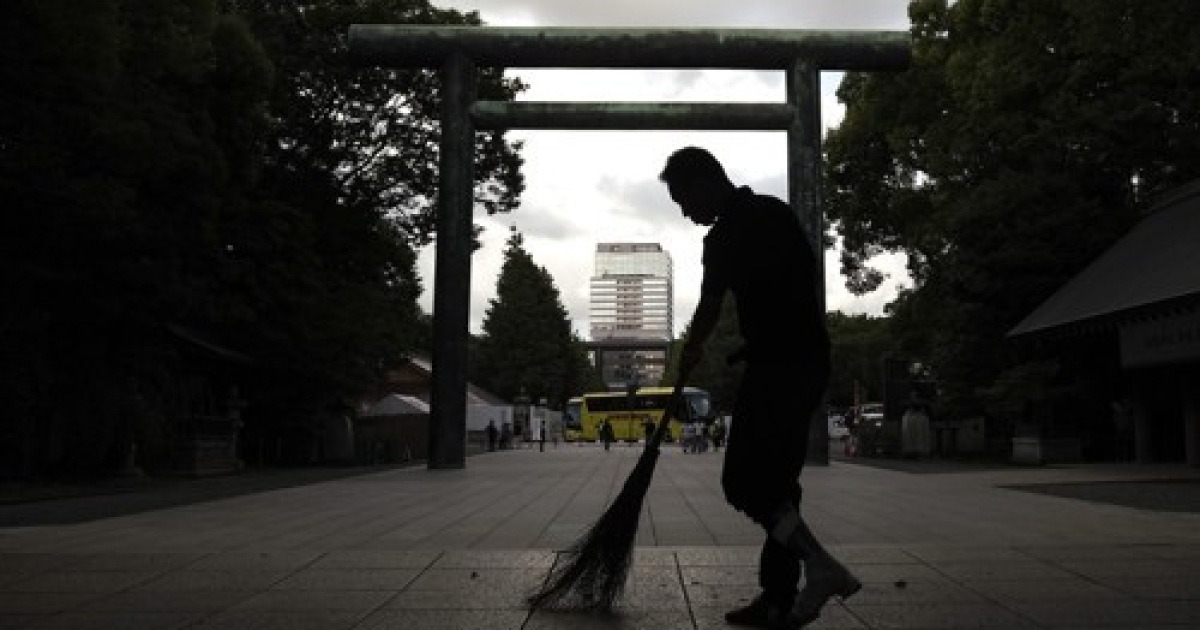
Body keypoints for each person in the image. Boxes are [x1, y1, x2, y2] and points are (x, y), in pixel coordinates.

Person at [662, 146, 859, 629]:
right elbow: (801, 283)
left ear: (706, 183)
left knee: (744, 483)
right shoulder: (776, 213)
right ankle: (777, 597)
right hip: (809, 361)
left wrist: (691, 351)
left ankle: (820, 565)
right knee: (779, 486)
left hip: (777, 368)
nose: (688, 214)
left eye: (685, 201)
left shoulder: (725, 236)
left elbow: (709, 308)